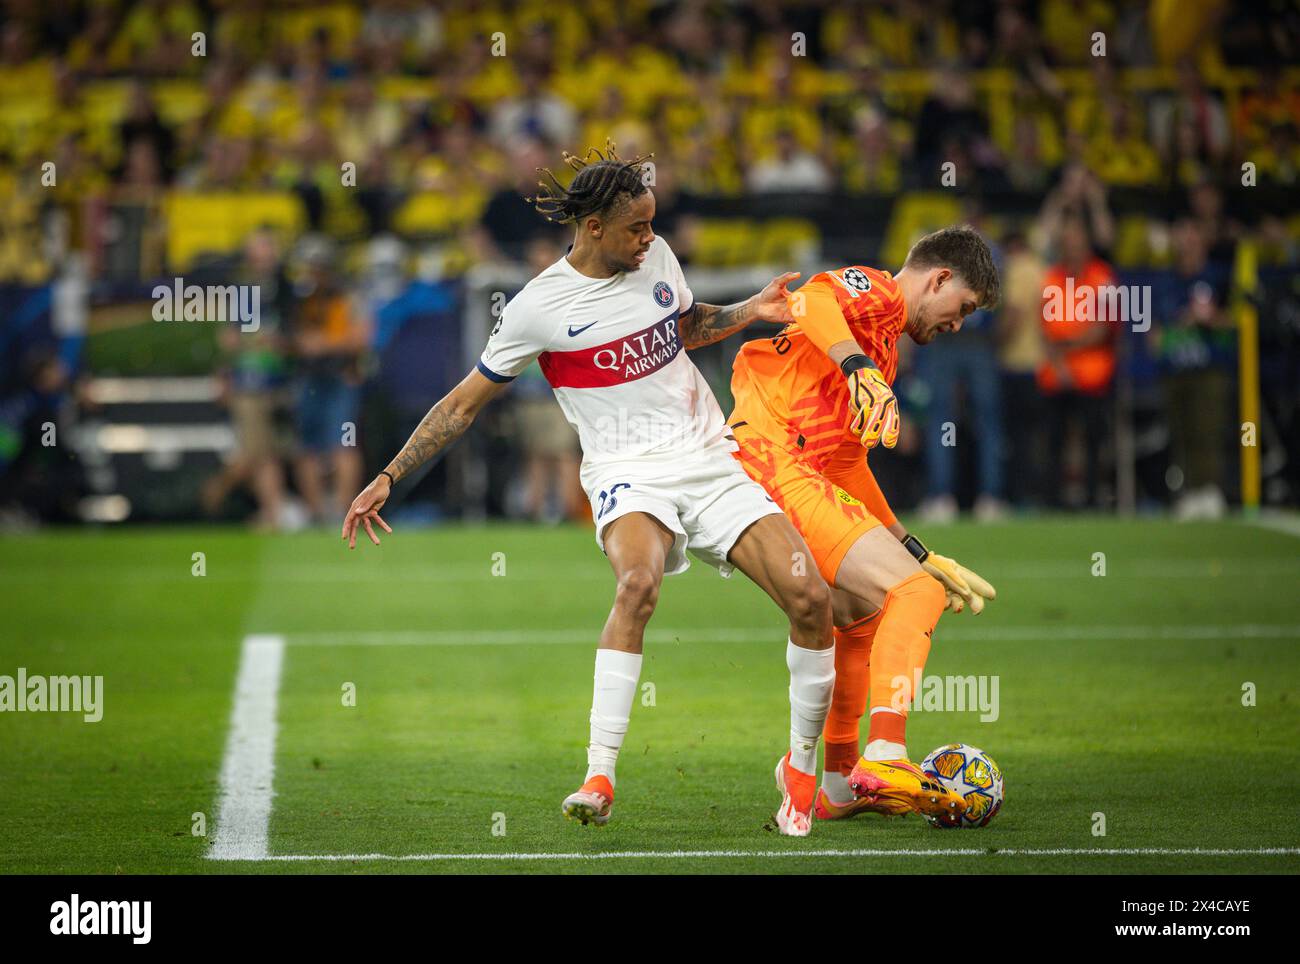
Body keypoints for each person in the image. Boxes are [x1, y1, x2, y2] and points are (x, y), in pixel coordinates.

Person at [341, 144, 836, 836]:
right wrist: (389, 475)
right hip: (627, 470)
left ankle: (801, 770)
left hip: (708, 456)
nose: (650, 238)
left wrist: (751, 309)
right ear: (594, 227)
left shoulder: (655, 258)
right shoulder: (538, 308)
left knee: (811, 597)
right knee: (637, 585)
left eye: (652, 224)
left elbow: (684, 323)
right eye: (637, 227)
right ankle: (599, 773)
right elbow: (462, 405)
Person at [728, 226, 1000, 824]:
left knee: (861, 611)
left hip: (797, 466)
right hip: (773, 457)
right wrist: (853, 363)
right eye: (964, 308)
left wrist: (916, 548)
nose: (959, 325)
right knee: (914, 594)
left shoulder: (883, 352)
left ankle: (840, 784)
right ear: (940, 279)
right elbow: (812, 298)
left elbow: (849, 464)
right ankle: (886, 751)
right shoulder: (877, 293)